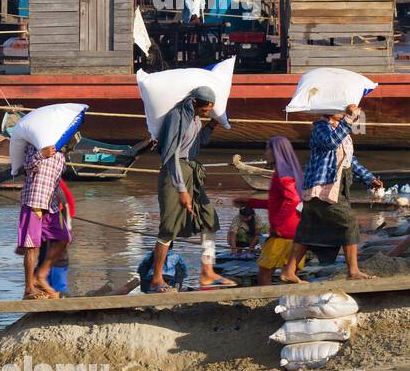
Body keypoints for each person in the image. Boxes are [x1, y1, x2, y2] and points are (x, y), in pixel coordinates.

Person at [282, 103, 382, 283]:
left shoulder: (341, 130)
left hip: (335, 187)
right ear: (327, 110)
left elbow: (350, 160)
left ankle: (289, 271)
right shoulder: (321, 127)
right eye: (339, 109)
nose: (342, 112)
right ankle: (353, 271)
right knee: (349, 222)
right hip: (323, 188)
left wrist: (369, 178)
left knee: (307, 230)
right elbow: (330, 143)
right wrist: (349, 119)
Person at [150, 86, 232, 292]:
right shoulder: (177, 116)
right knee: (169, 227)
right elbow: (171, 154)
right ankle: (157, 278)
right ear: (195, 102)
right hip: (173, 173)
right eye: (206, 108)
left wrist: (212, 124)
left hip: (191, 171)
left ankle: (207, 272)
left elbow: (198, 142)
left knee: (209, 219)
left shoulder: (196, 119)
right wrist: (181, 189)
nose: (207, 111)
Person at [234, 135, 304, 285]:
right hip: (295, 231)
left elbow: (292, 200)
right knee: (290, 273)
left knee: (264, 272)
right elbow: (276, 203)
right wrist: (250, 202)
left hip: (283, 232)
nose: (265, 153)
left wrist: (277, 224)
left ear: (277, 151)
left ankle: (266, 298)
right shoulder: (291, 172)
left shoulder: (282, 175)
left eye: (268, 149)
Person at [16, 139, 71, 300]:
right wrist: (41, 154)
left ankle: (40, 275)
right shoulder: (35, 145)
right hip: (33, 201)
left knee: (64, 239)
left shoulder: (60, 155)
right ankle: (28, 289)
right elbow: (26, 166)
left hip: (50, 204)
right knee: (31, 246)